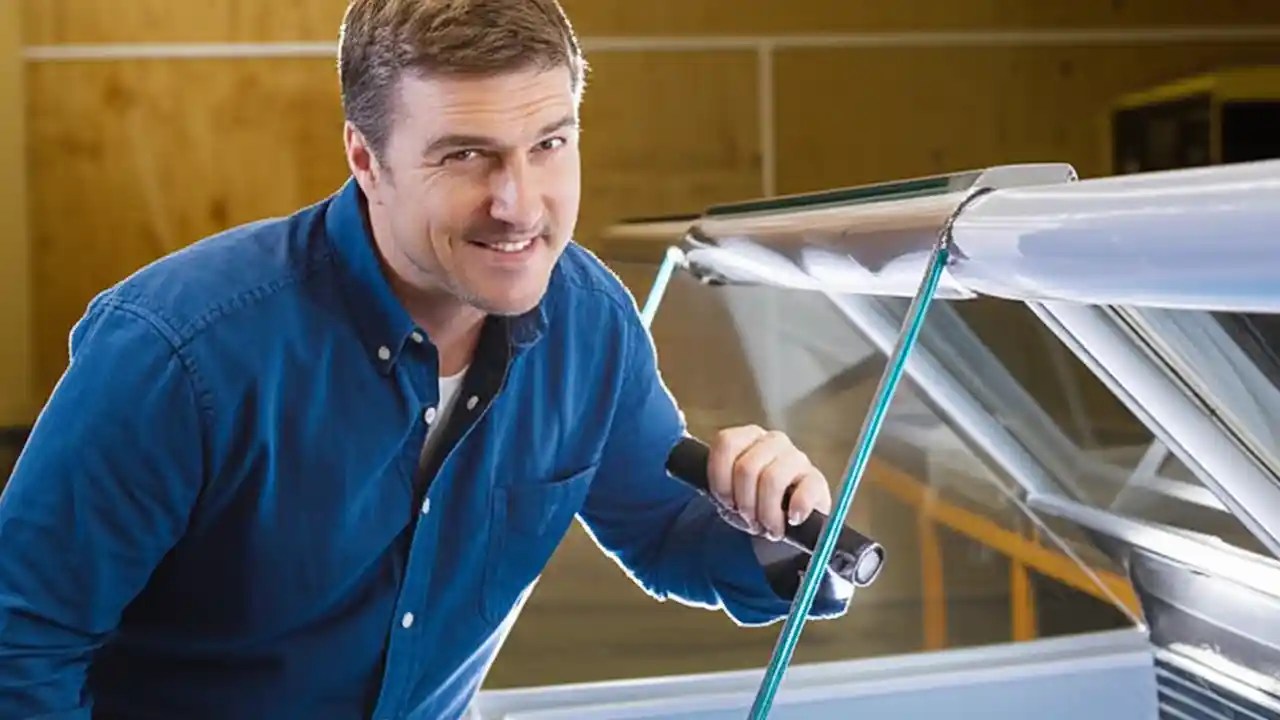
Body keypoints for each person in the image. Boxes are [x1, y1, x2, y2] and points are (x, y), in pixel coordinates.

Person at [0, 1, 851, 717]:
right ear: (366, 160)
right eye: (465, 155)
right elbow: (20, 647)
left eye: (549, 144)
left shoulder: (589, 322)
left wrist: (774, 519)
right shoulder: (176, 354)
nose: (519, 205)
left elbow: (667, 536)